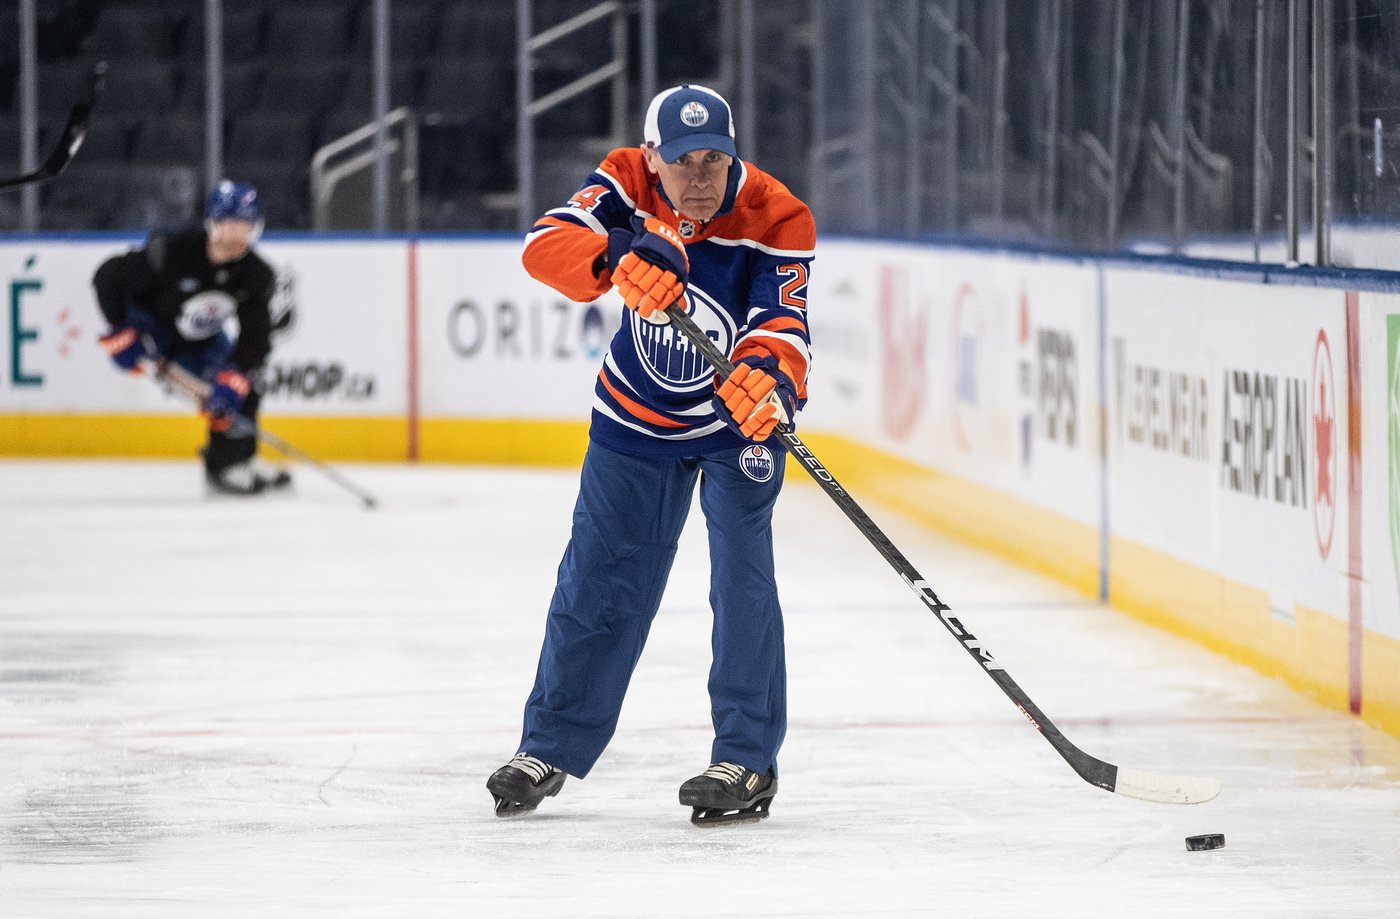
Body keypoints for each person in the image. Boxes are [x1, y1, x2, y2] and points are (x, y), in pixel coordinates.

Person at [488, 84, 815, 825]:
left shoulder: (777, 213)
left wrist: (767, 376)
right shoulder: (625, 182)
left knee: (742, 579)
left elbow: (783, 320)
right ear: (650, 159)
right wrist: (613, 255)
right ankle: (548, 743)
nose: (700, 177)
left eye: (714, 160)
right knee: (599, 575)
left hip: (737, 428)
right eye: (682, 162)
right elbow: (544, 246)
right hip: (635, 418)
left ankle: (746, 759)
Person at [92, 179, 290, 496]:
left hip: (201, 341)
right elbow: (107, 276)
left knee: (244, 387)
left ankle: (237, 461)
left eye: (247, 226)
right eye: (231, 224)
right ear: (213, 223)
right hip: (155, 336)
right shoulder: (172, 253)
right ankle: (226, 466)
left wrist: (236, 372)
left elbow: (256, 334)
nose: (239, 235)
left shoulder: (256, 273)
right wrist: (120, 329)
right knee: (222, 394)